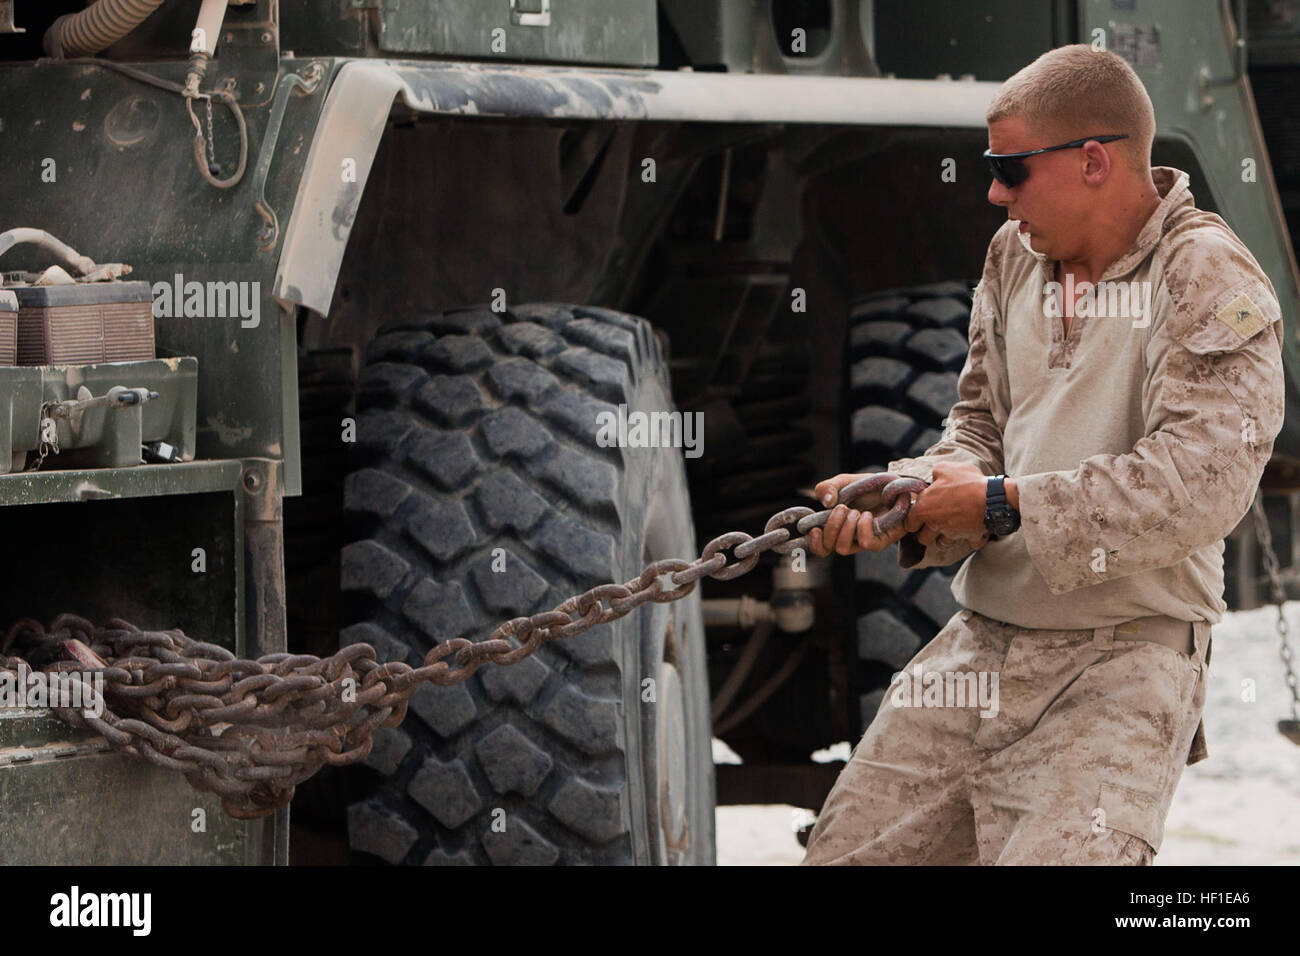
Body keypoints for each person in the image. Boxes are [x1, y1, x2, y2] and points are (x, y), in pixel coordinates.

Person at [800, 44, 1287, 865]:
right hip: (982, 643)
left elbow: (1201, 484)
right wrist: (910, 491)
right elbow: (979, 429)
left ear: (1093, 160)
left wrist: (999, 503)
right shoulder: (1010, 258)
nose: (993, 192)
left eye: (1009, 169)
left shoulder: (1205, 273)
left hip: (1122, 660)